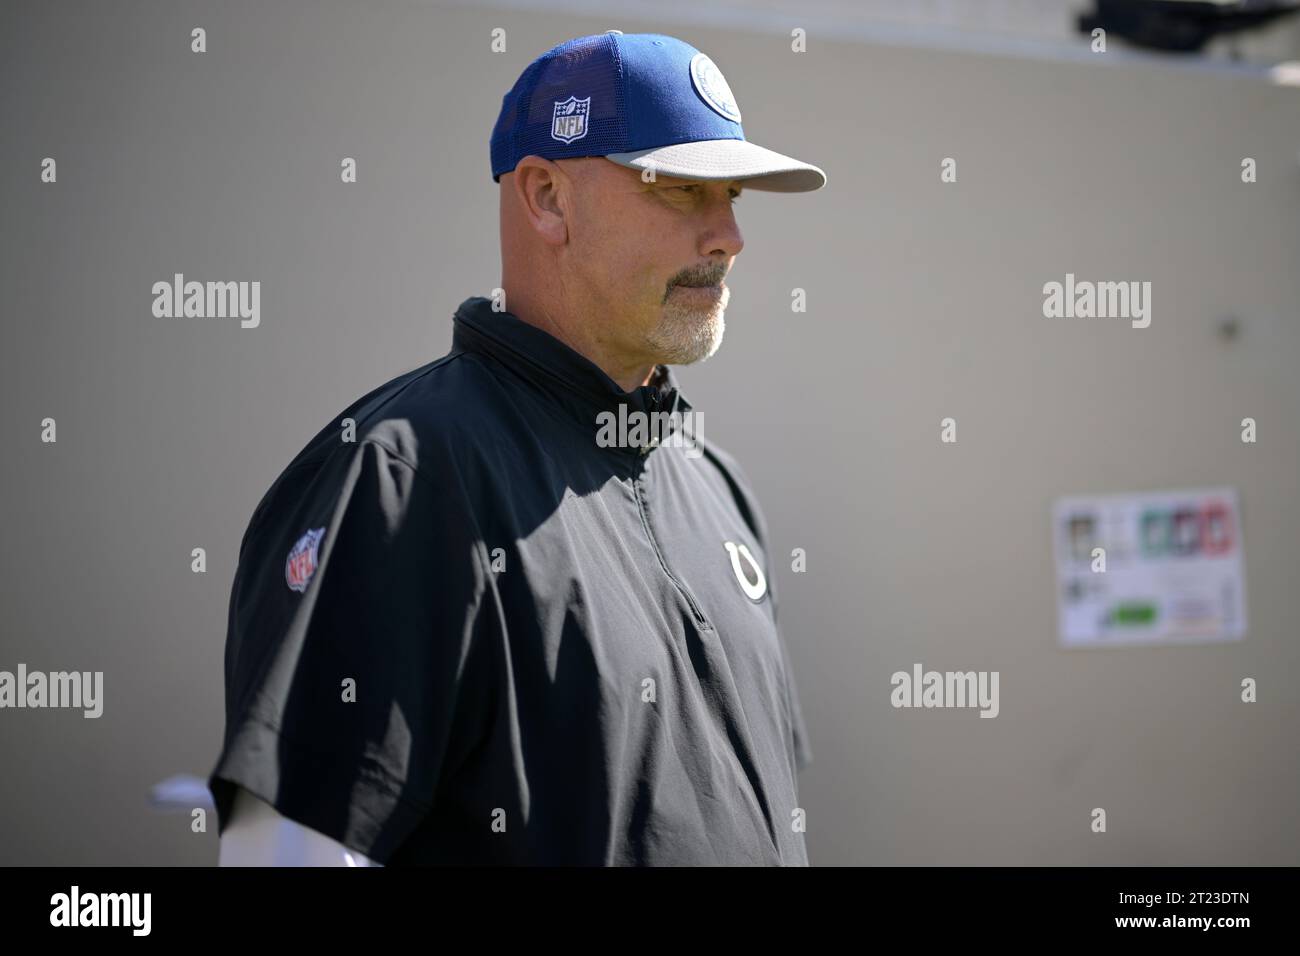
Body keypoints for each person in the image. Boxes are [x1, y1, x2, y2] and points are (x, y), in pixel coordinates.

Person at [210, 30, 826, 866]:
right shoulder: (401, 479)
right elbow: (289, 856)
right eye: (683, 190)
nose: (728, 238)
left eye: (734, 197)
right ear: (546, 198)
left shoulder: (715, 484)